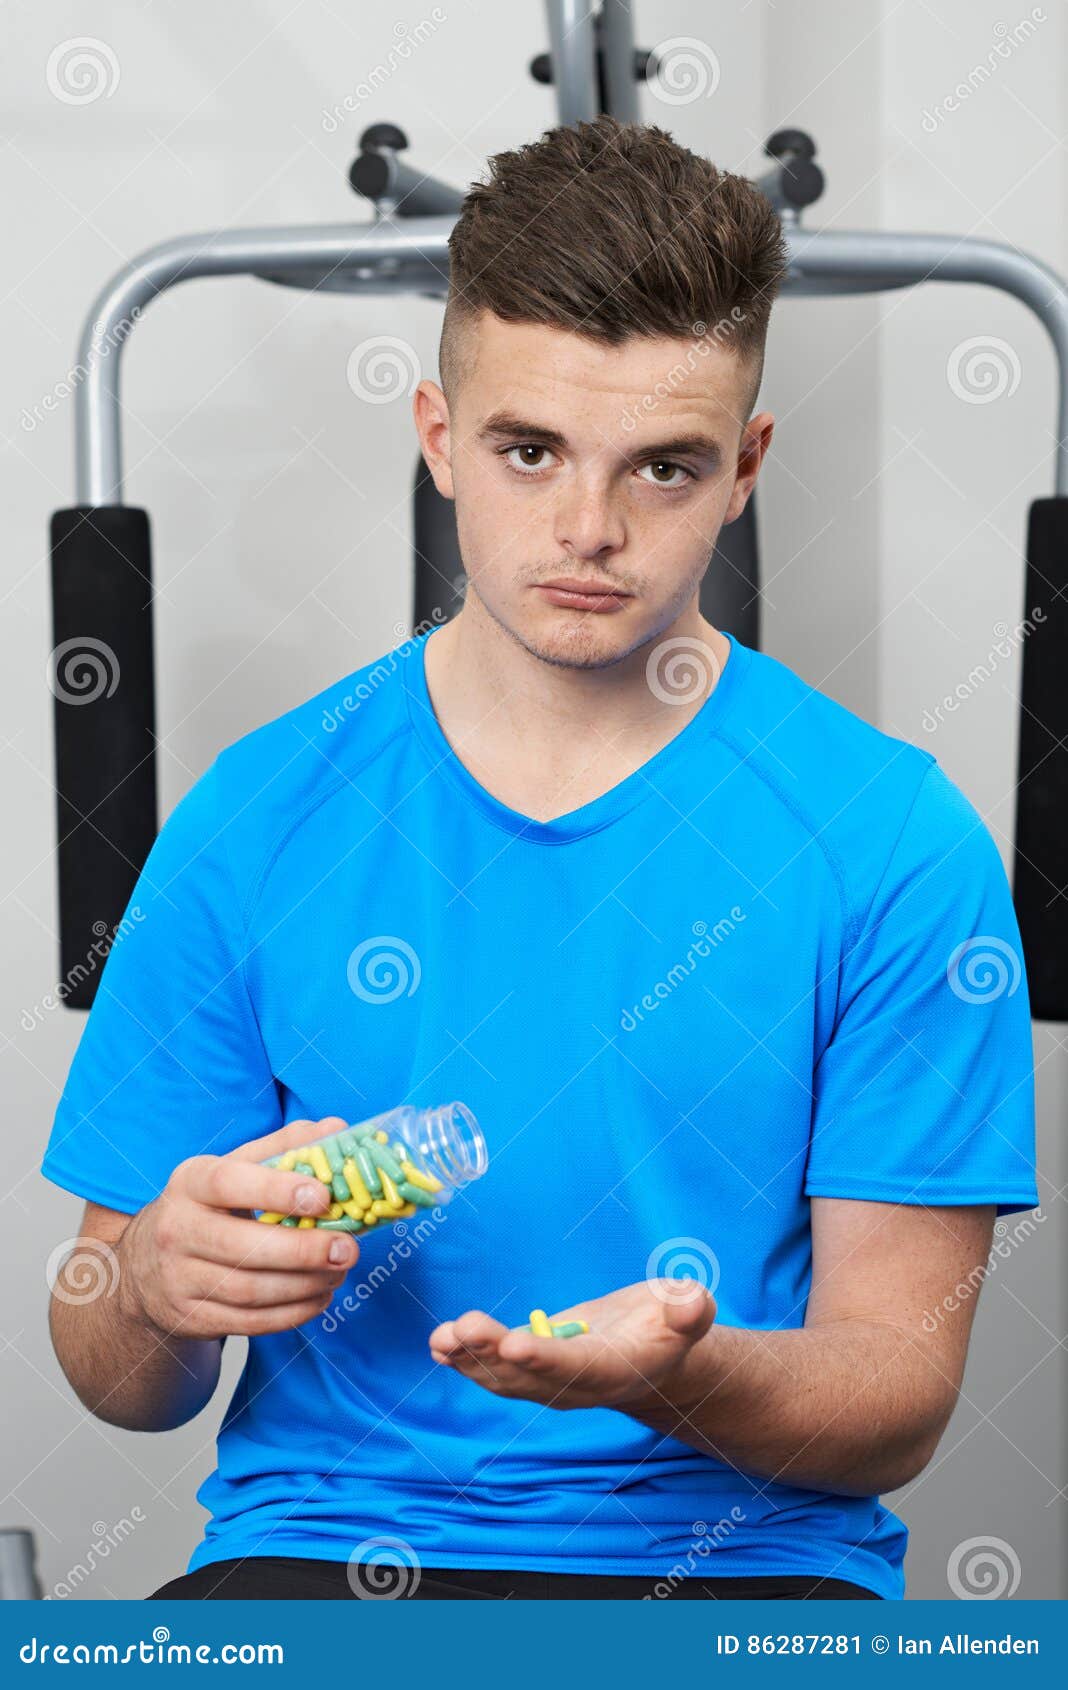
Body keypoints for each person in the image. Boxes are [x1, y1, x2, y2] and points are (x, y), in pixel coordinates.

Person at [41, 116, 1038, 1603]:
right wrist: (157, 1288)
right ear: (442, 438)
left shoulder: (893, 844)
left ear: (746, 466)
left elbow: (893, 1396)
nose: (589, 528)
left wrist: (673, 1377)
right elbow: (120, 1370)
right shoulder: (256, 818)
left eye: (665, 468)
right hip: (321, 1548)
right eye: (530, 450)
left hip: (741, 1569)